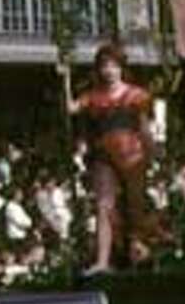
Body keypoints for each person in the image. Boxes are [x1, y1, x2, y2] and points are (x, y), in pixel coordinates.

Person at [67, 43, 157, 274]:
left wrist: (151, 152)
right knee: (103, 204)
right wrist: (64, 78)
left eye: (113, 65)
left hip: (133, 153)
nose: (108, 70)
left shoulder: (137, 95)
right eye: (104, 66)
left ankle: (137, 251)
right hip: (104, 154)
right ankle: (102, 260)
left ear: (121, 68)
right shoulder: (93, 96)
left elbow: (145, 127)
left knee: (134, 203)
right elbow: (72, 108)